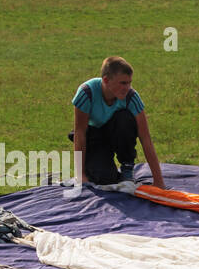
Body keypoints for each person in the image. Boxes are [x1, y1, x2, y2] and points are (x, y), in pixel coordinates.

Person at [68, 56, 164, 189]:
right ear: (106, 80)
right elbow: (80, 133)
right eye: (123, 83)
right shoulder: (86, 93)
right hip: (94, 137)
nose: (127, 87)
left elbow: (145, 137)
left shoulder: (131, 97)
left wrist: (159, 181)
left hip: (116, 133)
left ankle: (127, 168)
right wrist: (80, 175)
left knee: (125, 118)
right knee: (104, 178)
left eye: (129, 82)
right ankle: (101, 168)